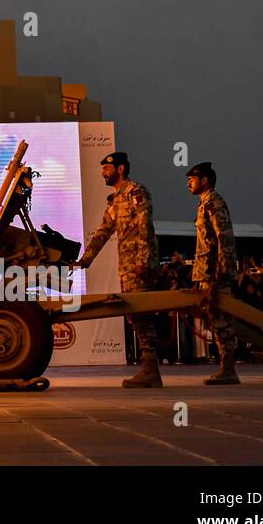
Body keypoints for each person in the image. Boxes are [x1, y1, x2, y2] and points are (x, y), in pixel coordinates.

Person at [74, 151, 162, 388]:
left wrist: (144, 259)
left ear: (120, 169)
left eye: (107, 169)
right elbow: (103, 232)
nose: (103, 173)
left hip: (139, 265)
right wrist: (85, 260)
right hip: (127, 266)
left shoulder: (136, 192)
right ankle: (149, 369)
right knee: (135, 315)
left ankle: (151, 370)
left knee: (142, 314)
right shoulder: (114, 201)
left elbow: (145, 226)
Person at [186, 162, 240, 385]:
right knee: (214, 319)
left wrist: (220, 274)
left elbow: (224, 239)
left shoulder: (214, 202)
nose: (189, 183)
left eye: (192, 179)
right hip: (205, 273)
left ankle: (228, 368)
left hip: (214, 274)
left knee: (220, 320)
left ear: (205, 180)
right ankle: (225, 366)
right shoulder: (204, 204)